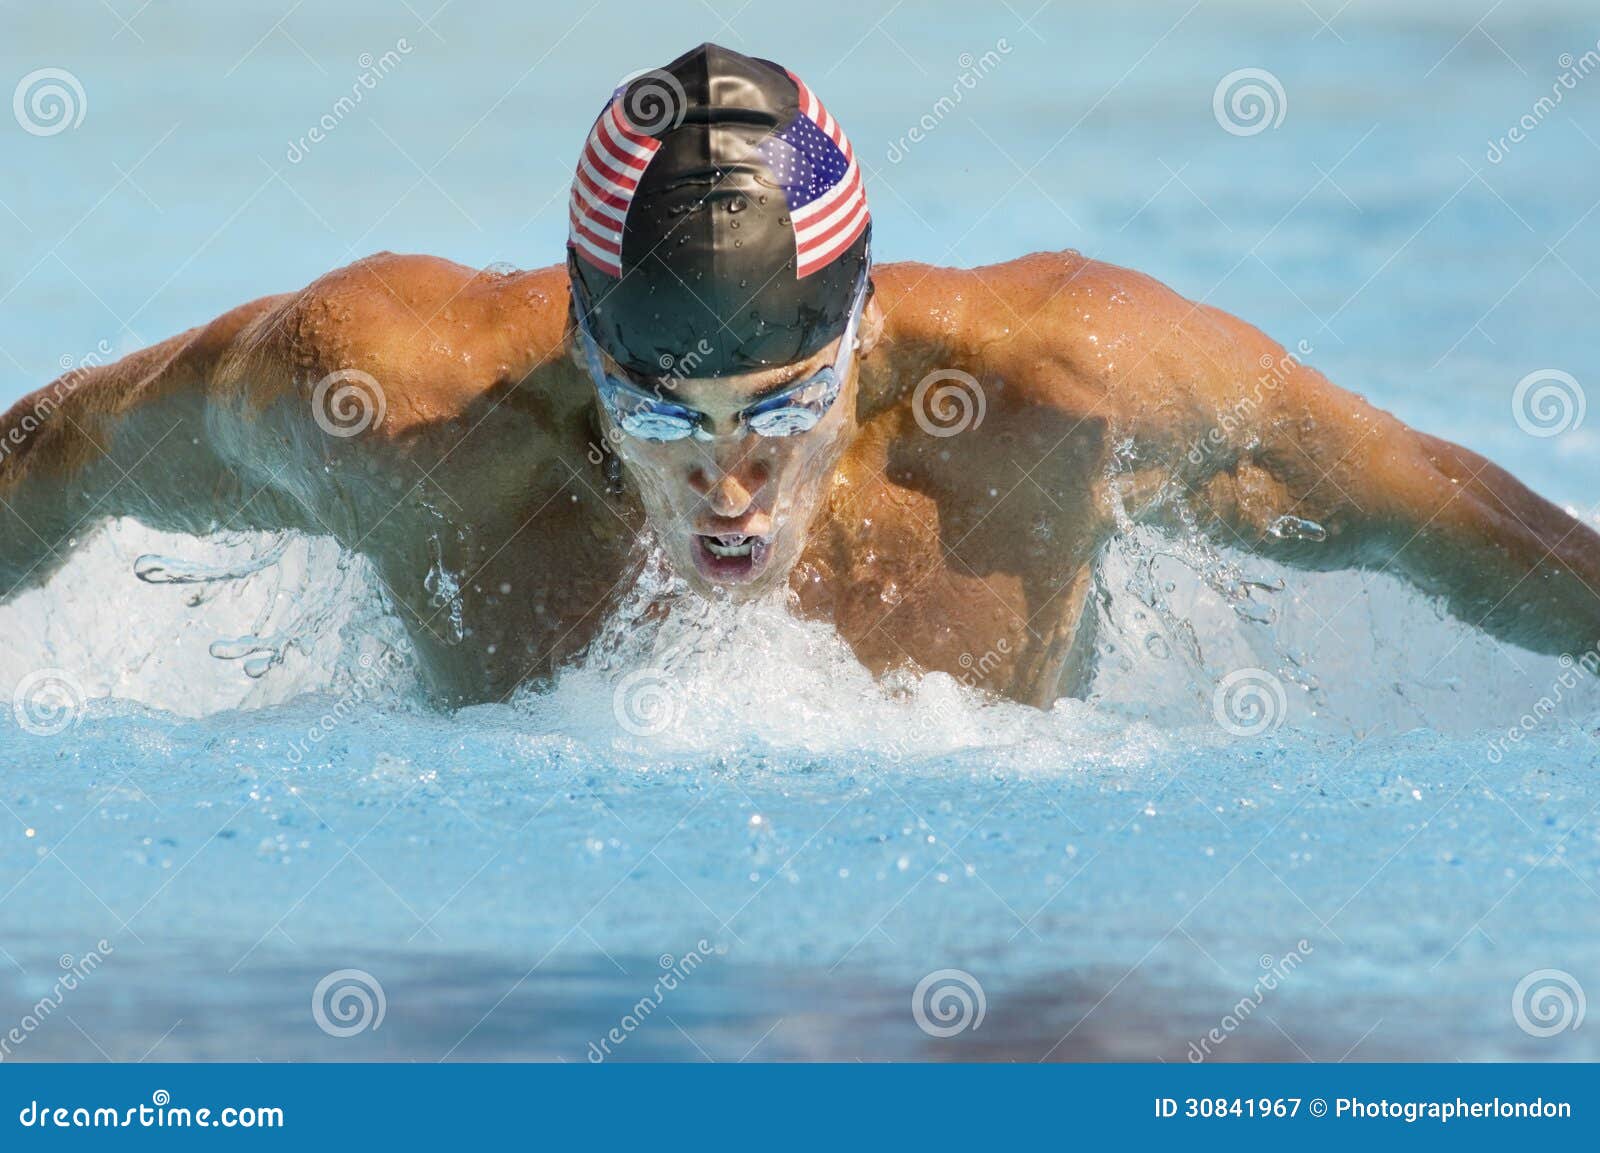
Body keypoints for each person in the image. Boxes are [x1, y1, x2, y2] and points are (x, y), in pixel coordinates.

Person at [3, 43, 1598, 708]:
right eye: (660, 414)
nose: (729, 475)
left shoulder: (1071, 394)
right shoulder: (390, 411)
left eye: (778, 404)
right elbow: (64, 449)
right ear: (581, 347)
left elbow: (1448, 517)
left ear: (865, 335)